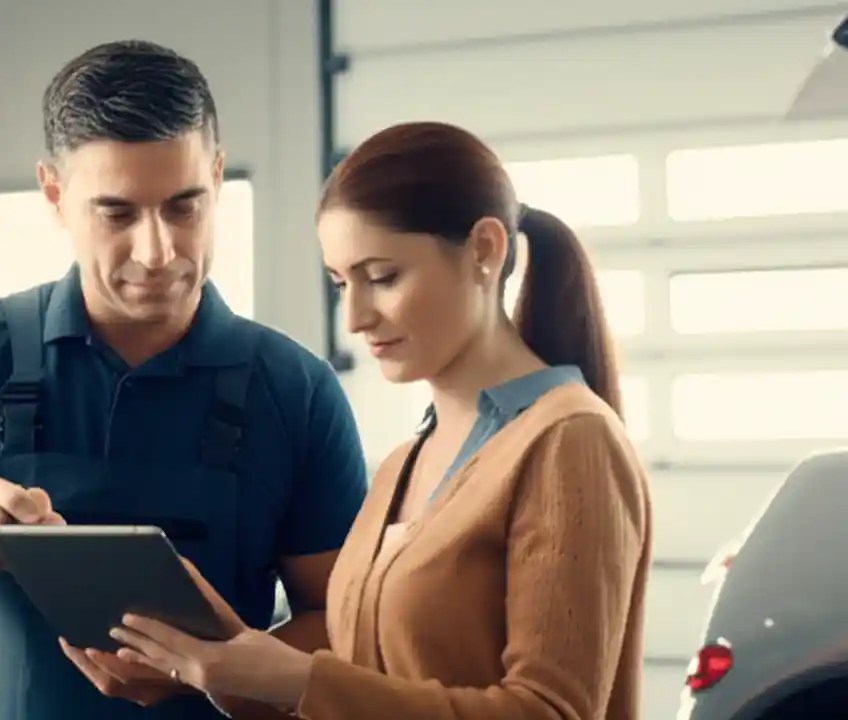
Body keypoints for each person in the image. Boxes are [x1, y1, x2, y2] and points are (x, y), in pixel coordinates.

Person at [0, 40, 368, 720]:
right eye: (117, 214)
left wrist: (219, 668)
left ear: (214, 175)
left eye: (185, 206)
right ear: (55, 196)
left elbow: (353, 628)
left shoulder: (294, 389)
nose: (158, 252)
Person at [105, 121, 654, 719]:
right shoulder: (403, 463)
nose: (356, 318)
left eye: (383, 277)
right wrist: (225, 663)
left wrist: (298, 681)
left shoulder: (569, 440)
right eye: (342, 284)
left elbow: (550, 712)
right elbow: (368, 683)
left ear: (485, 250)